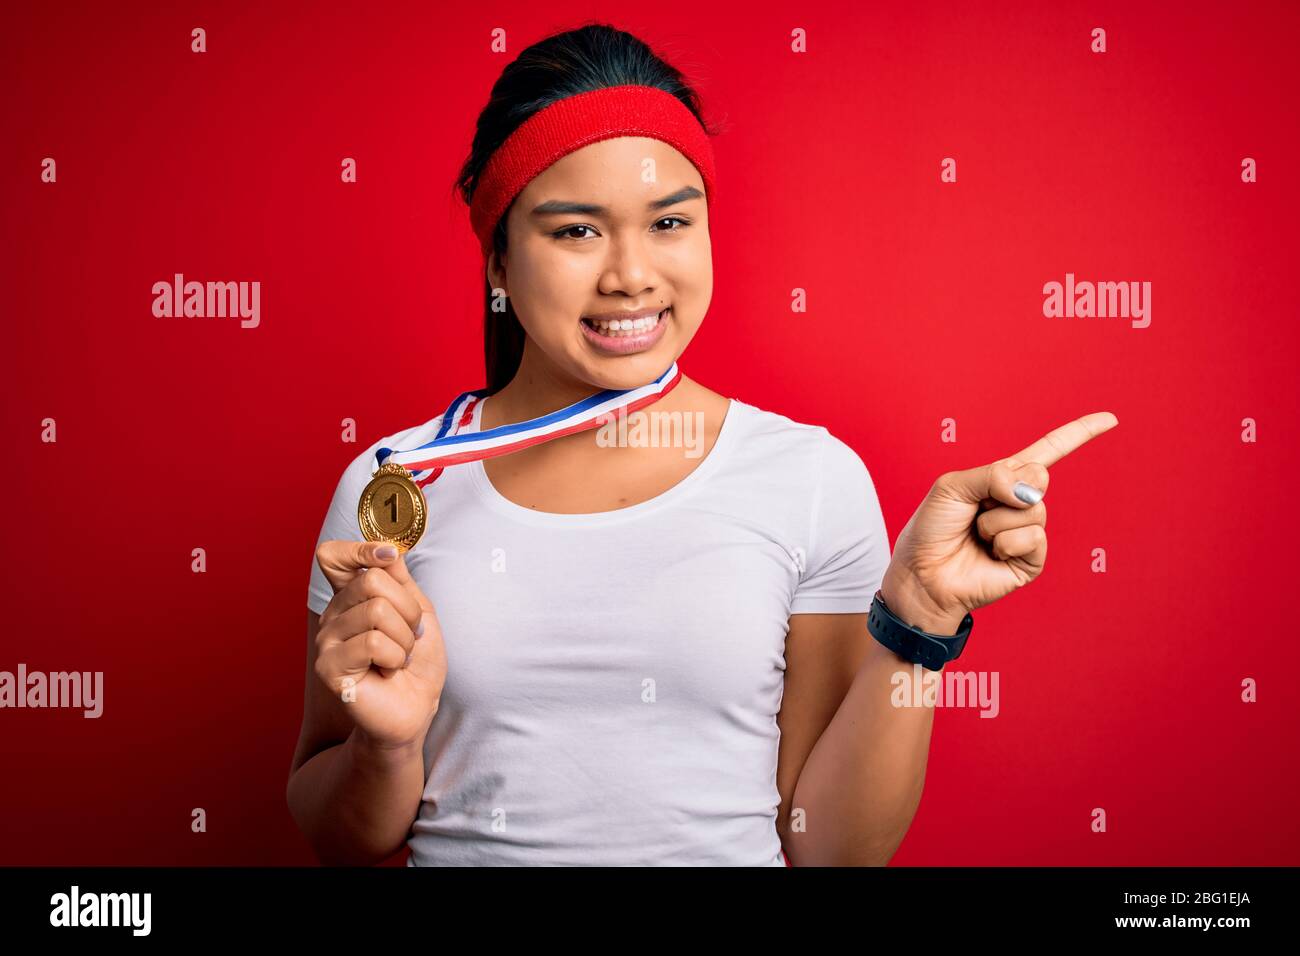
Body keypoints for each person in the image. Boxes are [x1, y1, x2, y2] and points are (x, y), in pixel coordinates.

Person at [285, 23, 1115, 867]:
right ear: (498, 259)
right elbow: (337, 831)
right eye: (575, 232)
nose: (630, 275)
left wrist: (922, 625)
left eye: (669, 222)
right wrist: (384, 751)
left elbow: (829, 849)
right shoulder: (395, 485)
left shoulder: (810, 479)